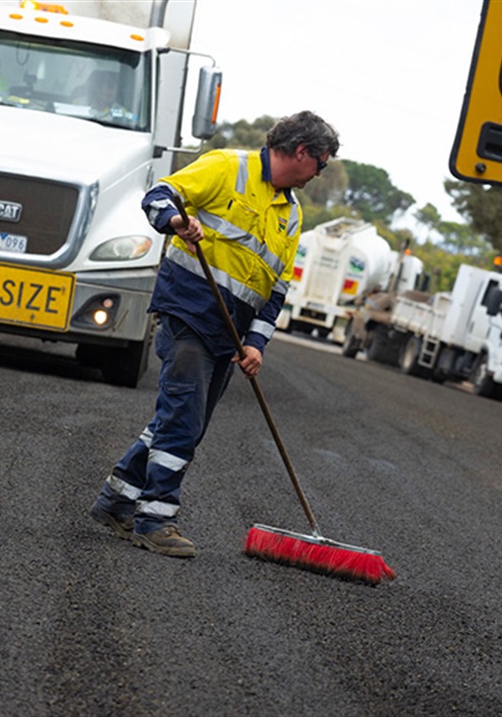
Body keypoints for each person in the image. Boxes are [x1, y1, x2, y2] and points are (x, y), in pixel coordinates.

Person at [89, 111, 340, 558]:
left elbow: (276, 290)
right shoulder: (228, 166)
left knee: (187, 423)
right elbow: (160, 195)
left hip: (230, 333)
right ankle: (155, 518)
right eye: (320, 163)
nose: (319, 174)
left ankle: (117, 499)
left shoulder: (292, 214)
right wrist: (175, 222)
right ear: (302, 152)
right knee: (182, 419)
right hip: (188, 311)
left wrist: (256, 344)